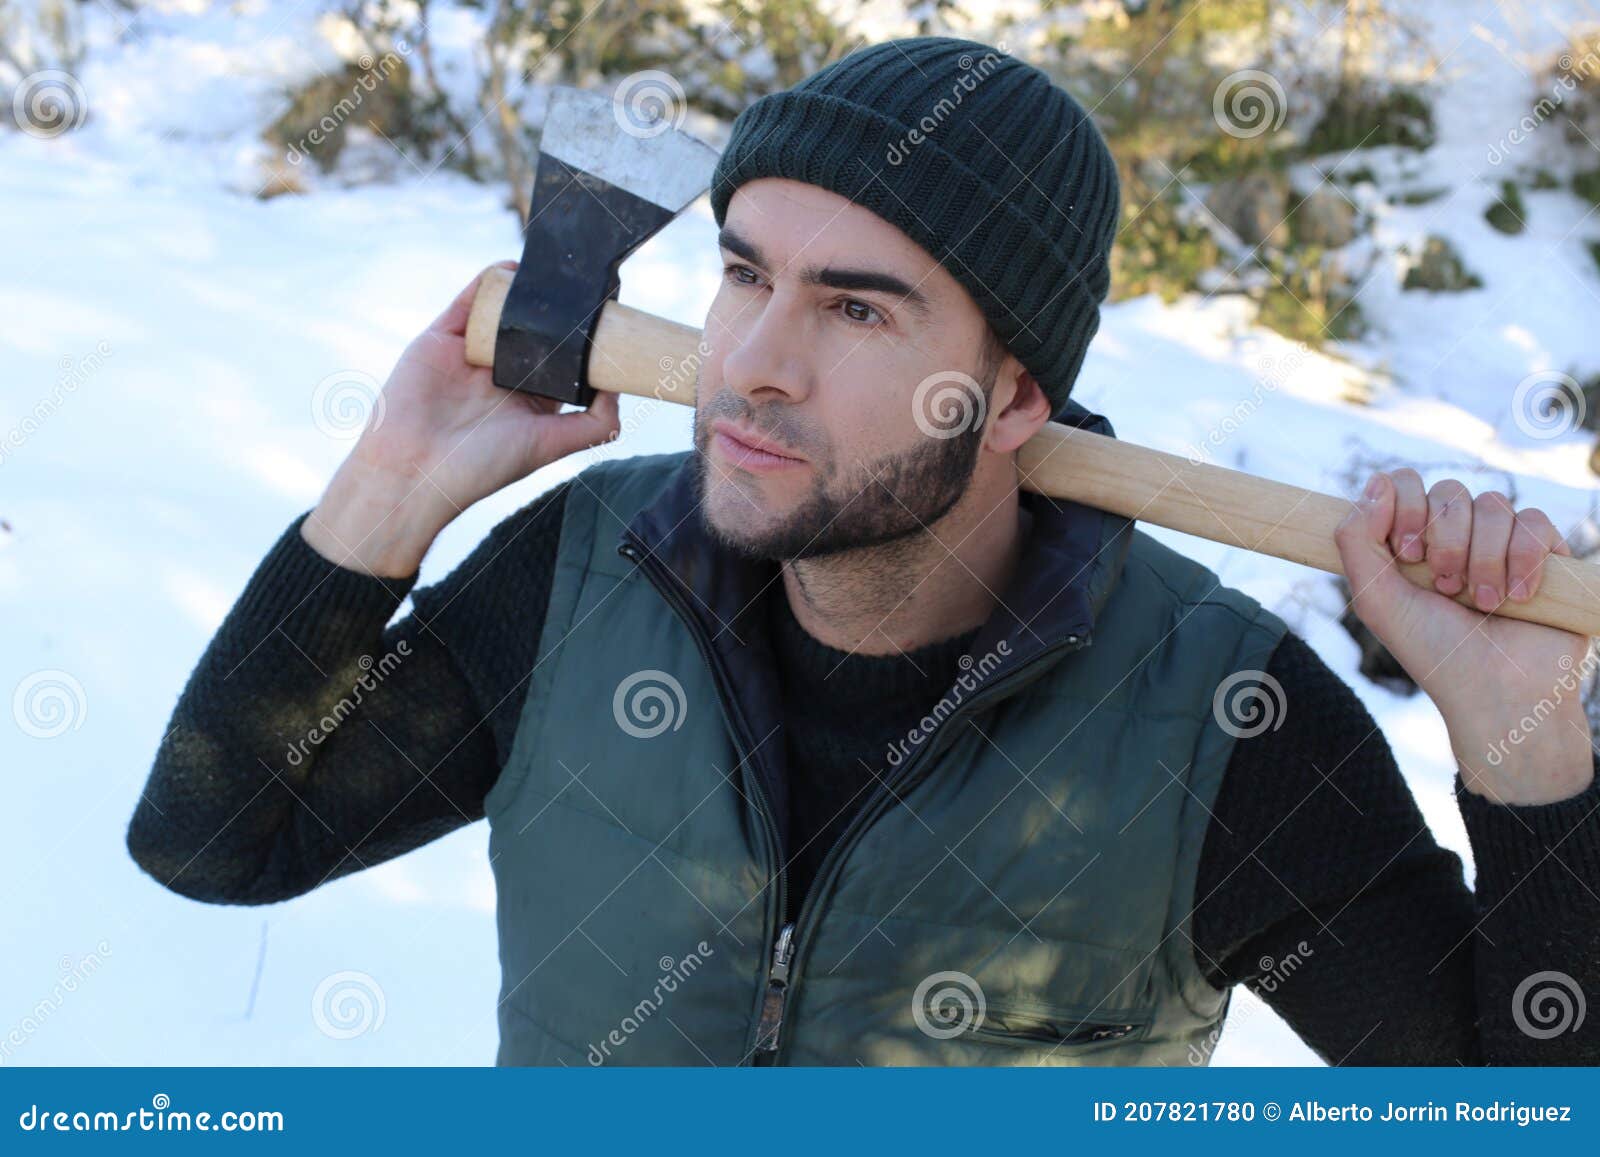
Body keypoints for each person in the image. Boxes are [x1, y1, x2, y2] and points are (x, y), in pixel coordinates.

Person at [127, 37, 1600, 1066]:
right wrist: (389, 487)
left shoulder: (1221, 717)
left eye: (856, 310)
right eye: (744, 274)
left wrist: (1526, 750)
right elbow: (215, 837)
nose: (750, 366)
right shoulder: (586, 571)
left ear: (1015, 393)